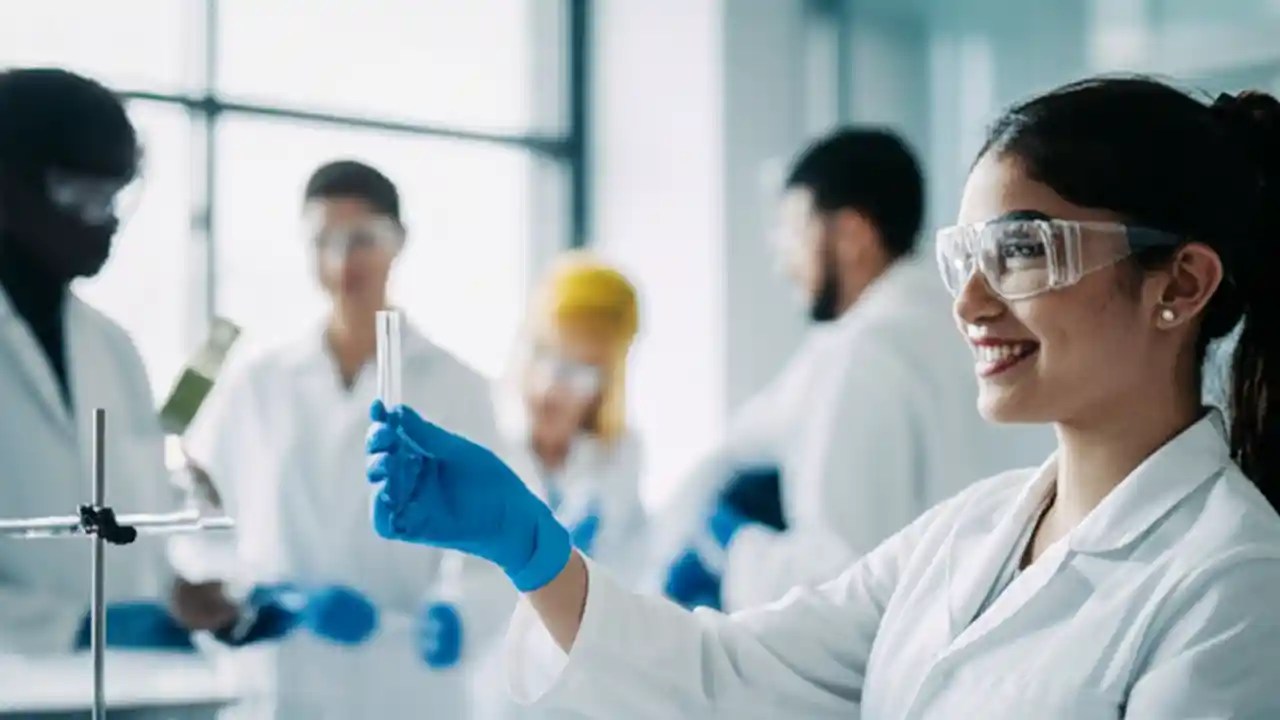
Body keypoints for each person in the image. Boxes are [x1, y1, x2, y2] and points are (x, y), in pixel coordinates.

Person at [366, 76, 1280, 718]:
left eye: (1024, 251)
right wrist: (527, 548)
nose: (967, 302)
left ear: (1182, 283)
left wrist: (733, 541)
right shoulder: (968, 534)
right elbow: (723, 675)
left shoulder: (1234, 583)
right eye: (966, 257)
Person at [168, 160, 517, 718]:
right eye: (323, 240)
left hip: (406, 682)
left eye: (362, 240)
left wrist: (460, 611)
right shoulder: (259, 386)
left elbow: (494, 530)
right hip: (282, 678)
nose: (341, 261)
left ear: (398, 243)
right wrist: (271, 597)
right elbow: (201, 530)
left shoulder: (458, 388)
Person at [660, 129, 1053, 611]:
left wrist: (732, 546)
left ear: (851, 236)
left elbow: (840, 576)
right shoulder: (947, 327)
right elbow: (759, 428)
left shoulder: (866, 352)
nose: (785, 263)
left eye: (793, 232)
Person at [0, 68, 194, 654]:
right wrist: (69, 629)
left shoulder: (114, 349)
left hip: (120, 693)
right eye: (81, 195)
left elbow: (134, 539)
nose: (106, 220)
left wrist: (188, 601)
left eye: (114, 196)